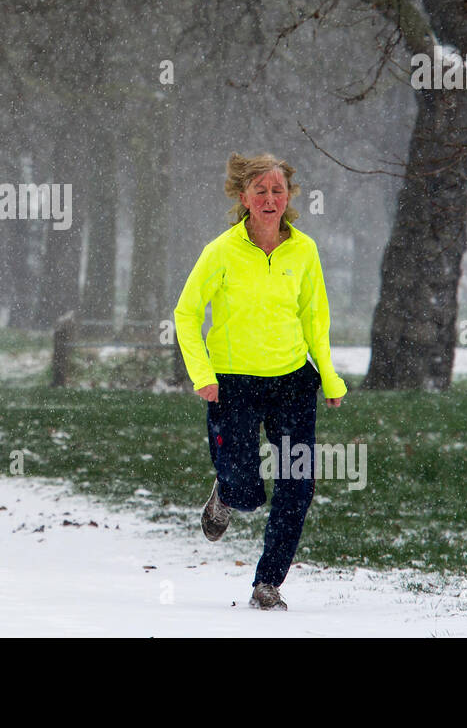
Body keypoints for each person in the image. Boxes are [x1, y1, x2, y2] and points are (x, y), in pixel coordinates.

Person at [173, 152, 347, 611]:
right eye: (260, 190)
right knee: (248, 491)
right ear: (243, 196)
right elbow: (186, 313)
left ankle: (268, 582)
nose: (270, 199)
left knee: (297, 481)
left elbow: (315, 317)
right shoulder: (221, 251)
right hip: (234, 383)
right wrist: (201, 373)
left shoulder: (304, 251)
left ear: (288, 197)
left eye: (277, 190)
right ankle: (227, 494)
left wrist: (328, 376)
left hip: (292, 381)